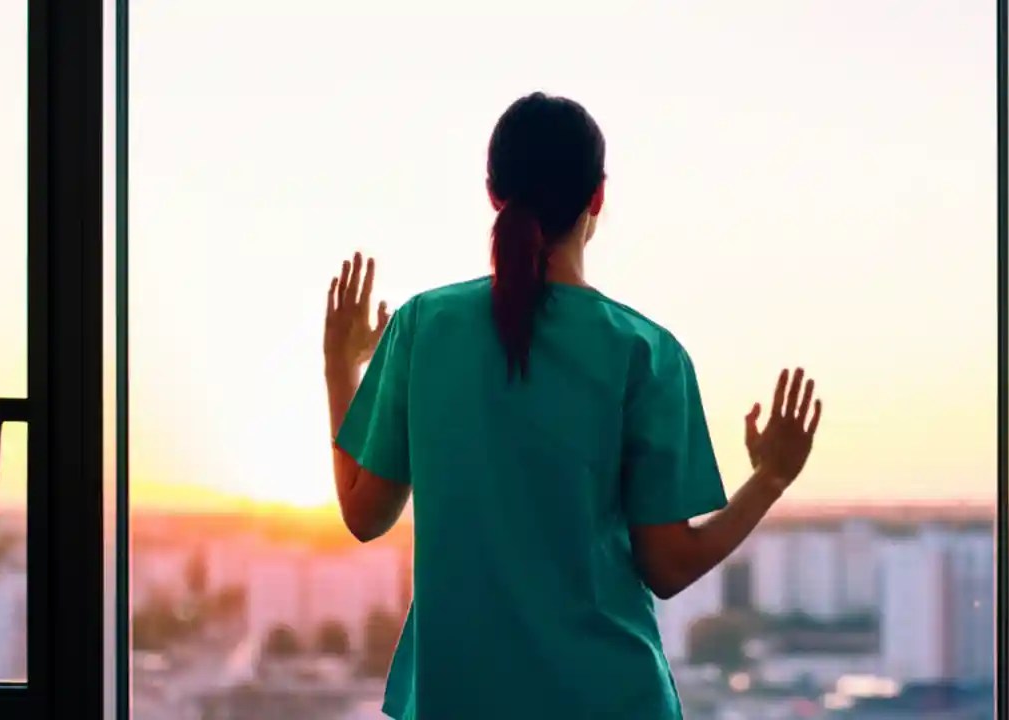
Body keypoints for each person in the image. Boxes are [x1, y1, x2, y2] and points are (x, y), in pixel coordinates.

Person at [323, 92, 822, 720]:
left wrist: (339, 366)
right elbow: (669, 566)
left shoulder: (424, 329)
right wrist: (770, 478)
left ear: (493, 193)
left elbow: (363, 513)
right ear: (598, 198)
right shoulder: (646, 354)